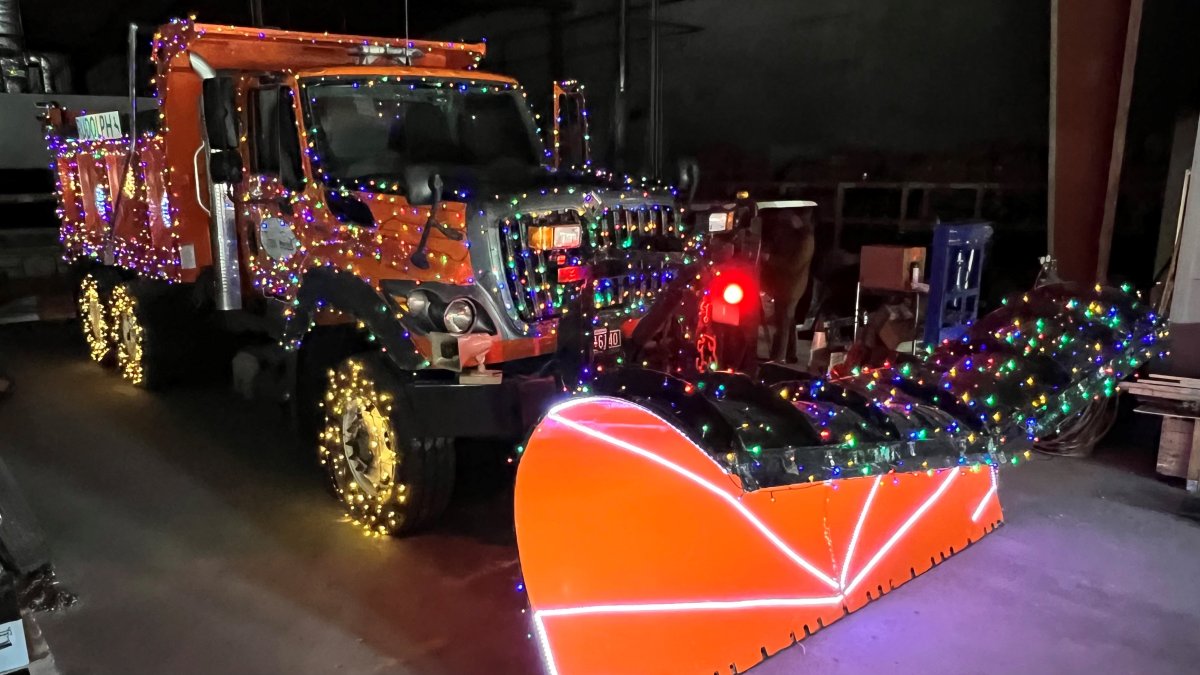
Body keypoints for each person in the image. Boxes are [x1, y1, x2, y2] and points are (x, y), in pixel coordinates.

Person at [761, 210, 816, 363]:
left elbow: (793, 265)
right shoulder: (795, 236)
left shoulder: (806, 240)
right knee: (788, 320)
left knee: (783, 322)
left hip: (791, 287)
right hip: (784, 284)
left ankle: (778, 358)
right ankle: (791, 353)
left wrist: (770, 258)